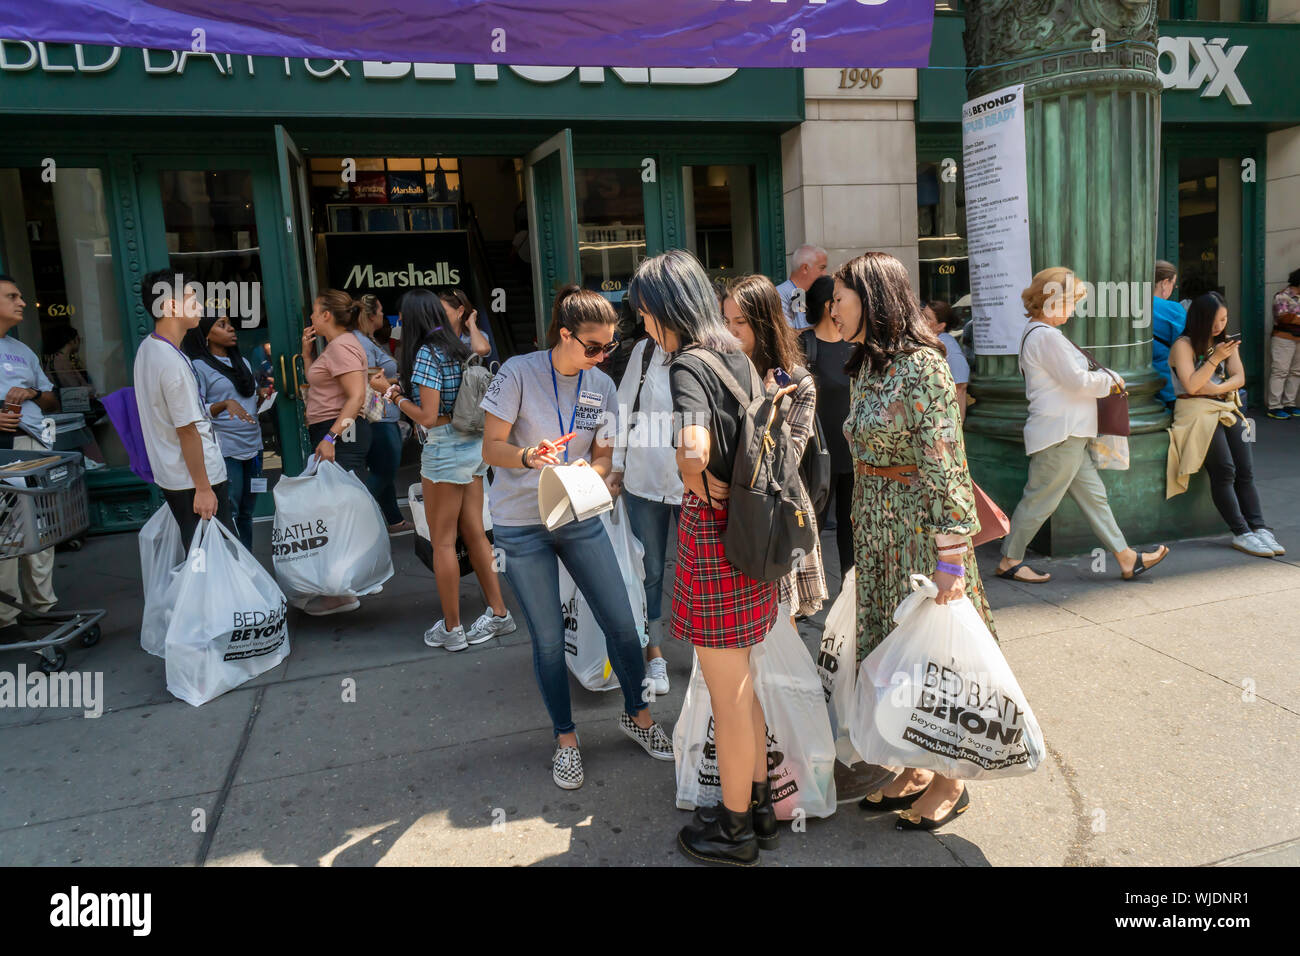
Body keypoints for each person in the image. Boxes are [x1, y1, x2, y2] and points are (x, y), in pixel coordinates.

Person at [481, 285, 673, 791]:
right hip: (521, 525)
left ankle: (638, 715)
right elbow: (491, 447)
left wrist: (597, 474)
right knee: (548, 641)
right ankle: (566, 739)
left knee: (623, 626)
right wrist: (529, 456)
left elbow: (605, 455)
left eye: (609, 346)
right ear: (564, 335)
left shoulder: (601, 385)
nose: (602, 355)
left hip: (578, 514)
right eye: (593, 347)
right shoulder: (518, 373)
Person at [629, 250, 782, 866]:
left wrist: (695, 479)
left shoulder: (687, 363)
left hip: (717, 536)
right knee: (743, 681)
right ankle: (761, 805)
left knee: (728, 691)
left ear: (665, 309)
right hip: (751, 534)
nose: (643, 326)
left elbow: (692, 447)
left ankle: (736, 830)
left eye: (645, 313)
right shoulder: (735, 354)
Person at [836, 251, 992, 830]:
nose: (833, 310)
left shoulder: (925, 366)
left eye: (841, 299)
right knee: (892, 653)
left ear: (872, 300)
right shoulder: (868, 365)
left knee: (935, 661)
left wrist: (952, 558)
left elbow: (946, 462)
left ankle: (952, 780)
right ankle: (914, 765)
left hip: (921, 535)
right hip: (878, 531)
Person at [995, 267, 1170, 584]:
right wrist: (1112, 380)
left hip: (1066, 432)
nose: (1073, 310)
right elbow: (1076, 381)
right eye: (1071, 302)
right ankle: (1010, 559)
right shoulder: (1046, 336)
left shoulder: (1039, 333)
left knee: (1094, 499)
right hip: (1061, 433)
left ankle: (1126, 558)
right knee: (1040, 500)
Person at [371, 289, 514, 650]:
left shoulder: (425, 353)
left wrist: (391, 394)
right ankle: (499, 613)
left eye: (402, 317)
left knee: (444, 542)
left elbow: (428, 416)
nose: (399, 323)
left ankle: (452, 629)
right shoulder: (457, 347)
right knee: (477, 534)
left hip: (445, 450)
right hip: (472, 445)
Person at [723, 273, 828, 621]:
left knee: (780, 622)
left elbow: (787, 458)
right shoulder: (721, 370)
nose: (730, 330)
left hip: (775, 510)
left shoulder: (796, 381)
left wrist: (769, 402)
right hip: (731, 508)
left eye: (740, 322)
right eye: (726, 321)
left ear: (764, 321)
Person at [1169, 293, 1283, 558]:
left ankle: (1259, 527)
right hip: (1196, 411)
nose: (1220, 326)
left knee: (1246, 470)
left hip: (1227, 406)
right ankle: (1241, 532)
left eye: (1224, 319)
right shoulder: (1183, 345)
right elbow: (1191, 386)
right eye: (1215, 320)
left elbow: (1239, 377)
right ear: (1201, 319)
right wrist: (1214, 360)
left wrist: (1216, 388)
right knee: (1225, 470)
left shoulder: (1226, 342)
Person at [133, 269, 232, 554]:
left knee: (202, 554)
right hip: (196, 478)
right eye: (192, 298)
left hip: (177, 475)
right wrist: (203, 488)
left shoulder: (149, 348)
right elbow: (187, 430)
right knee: (216, 557)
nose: (199, 306)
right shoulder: (170, 362)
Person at [609, 327, 678, 697]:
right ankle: (655, 652)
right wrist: (616, 466)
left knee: (702, 569)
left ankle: (708, 652)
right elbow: (623, 408)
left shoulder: (708, 348)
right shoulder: (645, 351)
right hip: (643, 477)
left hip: (695, 483)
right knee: (648, 569)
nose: (644, 319)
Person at [300, 289, 370, 616]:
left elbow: (356, 396)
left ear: (326, 315)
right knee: (336, 512)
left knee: (337, 516)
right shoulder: (336, 346)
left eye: (315, 311)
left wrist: (330, 437)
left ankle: (342, 592)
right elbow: (318, 382)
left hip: (339, 434)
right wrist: (307, 354)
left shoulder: (341, 346)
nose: (311, 317)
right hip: (333, 432)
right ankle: (346, 585)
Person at [0, 275, 62, 642]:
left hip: (35, 444)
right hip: (4, 448)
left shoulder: (22, 350)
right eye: (12, 296)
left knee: (41, 526)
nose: (22, 302)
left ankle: (43, 606)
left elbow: (51, 399)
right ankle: (6, 617)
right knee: (5, 533)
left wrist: (33, 394)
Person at [183, 315, 262, 552]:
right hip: (227, 449)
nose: (231, 329)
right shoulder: (199, 367)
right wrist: (224, 404)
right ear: (206, 334)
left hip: (254, 446)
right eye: (222, 325)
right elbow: (198, 408)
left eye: (230, 324)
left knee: (247, 512)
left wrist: (262, 398)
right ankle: (232, 563)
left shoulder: (243, 362)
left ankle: (247, 561)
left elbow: (247, 402)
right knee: (232, 512)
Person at [799, 276, 855, 586]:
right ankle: (804, 591)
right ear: (828, 305)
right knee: (811, 526)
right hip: (816, 455)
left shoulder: (856, 345)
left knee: (851, 527)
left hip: (852, 453)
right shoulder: (804, 346)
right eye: (839, 298)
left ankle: (850, 592)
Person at [354, 294, 411, 535]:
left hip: (382, 412)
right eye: (380, 312)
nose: (383, 316)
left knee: (382, 469)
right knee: (386, 469)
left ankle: (394, 520)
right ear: (370, 316)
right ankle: (353, 520)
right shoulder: (362, 343)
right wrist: (397, 380)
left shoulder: (369, 340)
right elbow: (366, 378)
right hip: (377, 414)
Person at [923, 299, 970, 421]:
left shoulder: (947, 344)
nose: (921, 321)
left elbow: (960, 387)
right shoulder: (931, 343)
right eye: (921, 315)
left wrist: (957, 424)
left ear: (941, 326)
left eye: (927, 318)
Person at [1151, 260, 1187, 410]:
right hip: (1168, 387)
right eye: (1173, 284)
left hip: (1133, 386)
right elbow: (1186, 348)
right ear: (1164, 283)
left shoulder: (1127, 306)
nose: (1173, 288)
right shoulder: (1174, 310)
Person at [1267, 268, 1300, 419]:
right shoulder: (1282, 296)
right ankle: (1274, 406)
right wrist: (1295, 319)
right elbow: (1283, 318)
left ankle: (1289, 404)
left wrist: (1295, 318)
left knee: (1296, 372)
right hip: (1283, 339)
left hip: (1297, 340)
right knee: (1280, 372)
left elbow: (1291, 318)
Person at [776, 244, 828, 331]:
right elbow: (787, 335)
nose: (825, 274)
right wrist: (824, 328)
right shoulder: (780, 294)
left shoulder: (807, 293)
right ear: (805, 268)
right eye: (821, 268)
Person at [437, 289, 497, 365]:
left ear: (460, 311)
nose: (437, 315)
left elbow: (481, 349)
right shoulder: (435, 336)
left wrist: (471, 323)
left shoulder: (475, 335)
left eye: (442, 311)